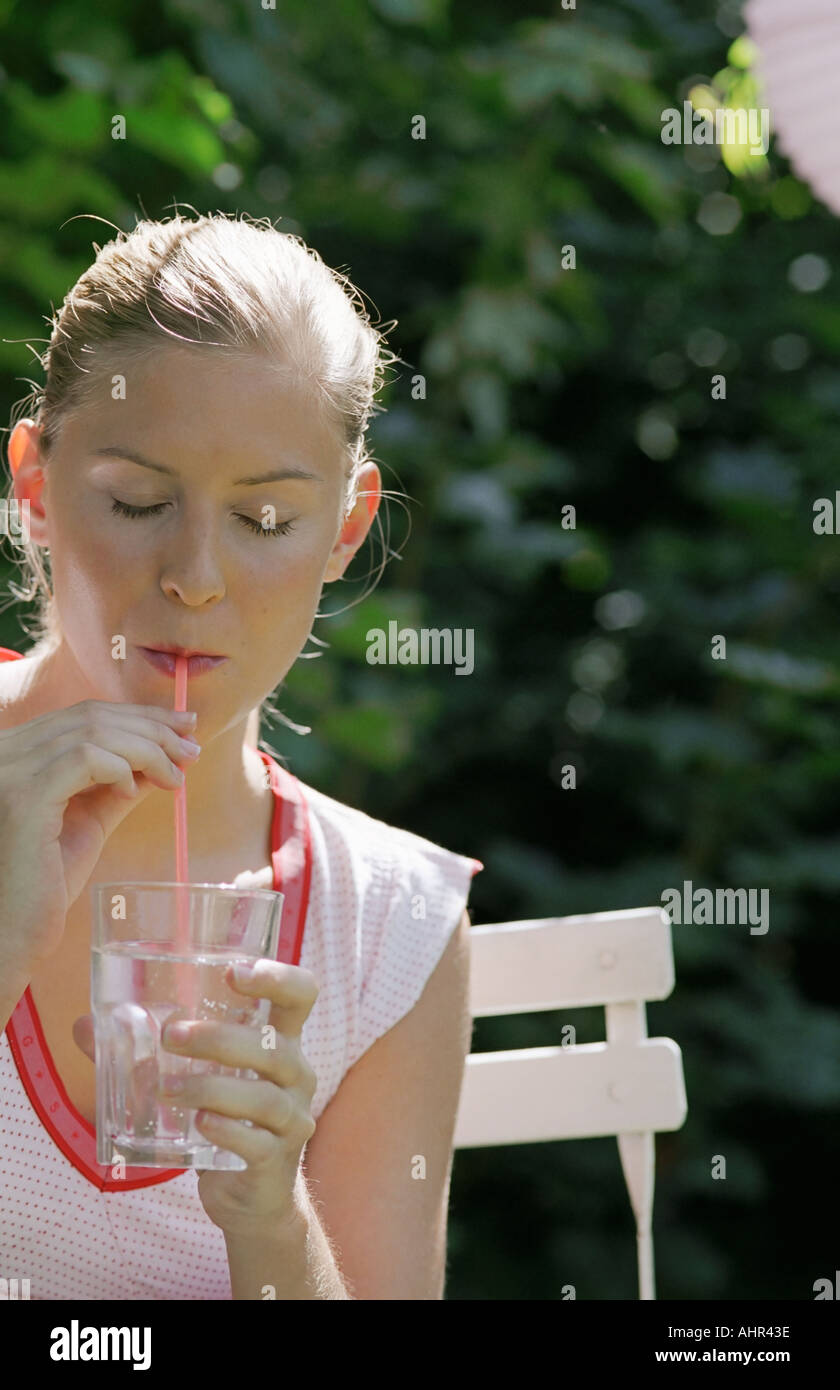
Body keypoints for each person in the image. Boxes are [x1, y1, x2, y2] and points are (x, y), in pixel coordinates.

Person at [0, 211, 482, 1301]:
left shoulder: (390, 927)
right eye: (136, 502)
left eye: (266, 518)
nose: (196, 576)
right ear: (34, 483)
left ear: (346, 530)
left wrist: (270, 1223)